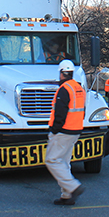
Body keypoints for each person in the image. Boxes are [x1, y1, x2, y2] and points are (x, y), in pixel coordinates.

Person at [45, 59, 86, 205]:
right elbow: (82, 110)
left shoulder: (64, 89)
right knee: (64, 162)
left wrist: (54, 130)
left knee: (52, 160)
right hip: (75, 130)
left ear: (61, 73)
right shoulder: (79, 88)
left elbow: (60, 113)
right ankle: (67, 195)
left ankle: (73, 187)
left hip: (63, 131)